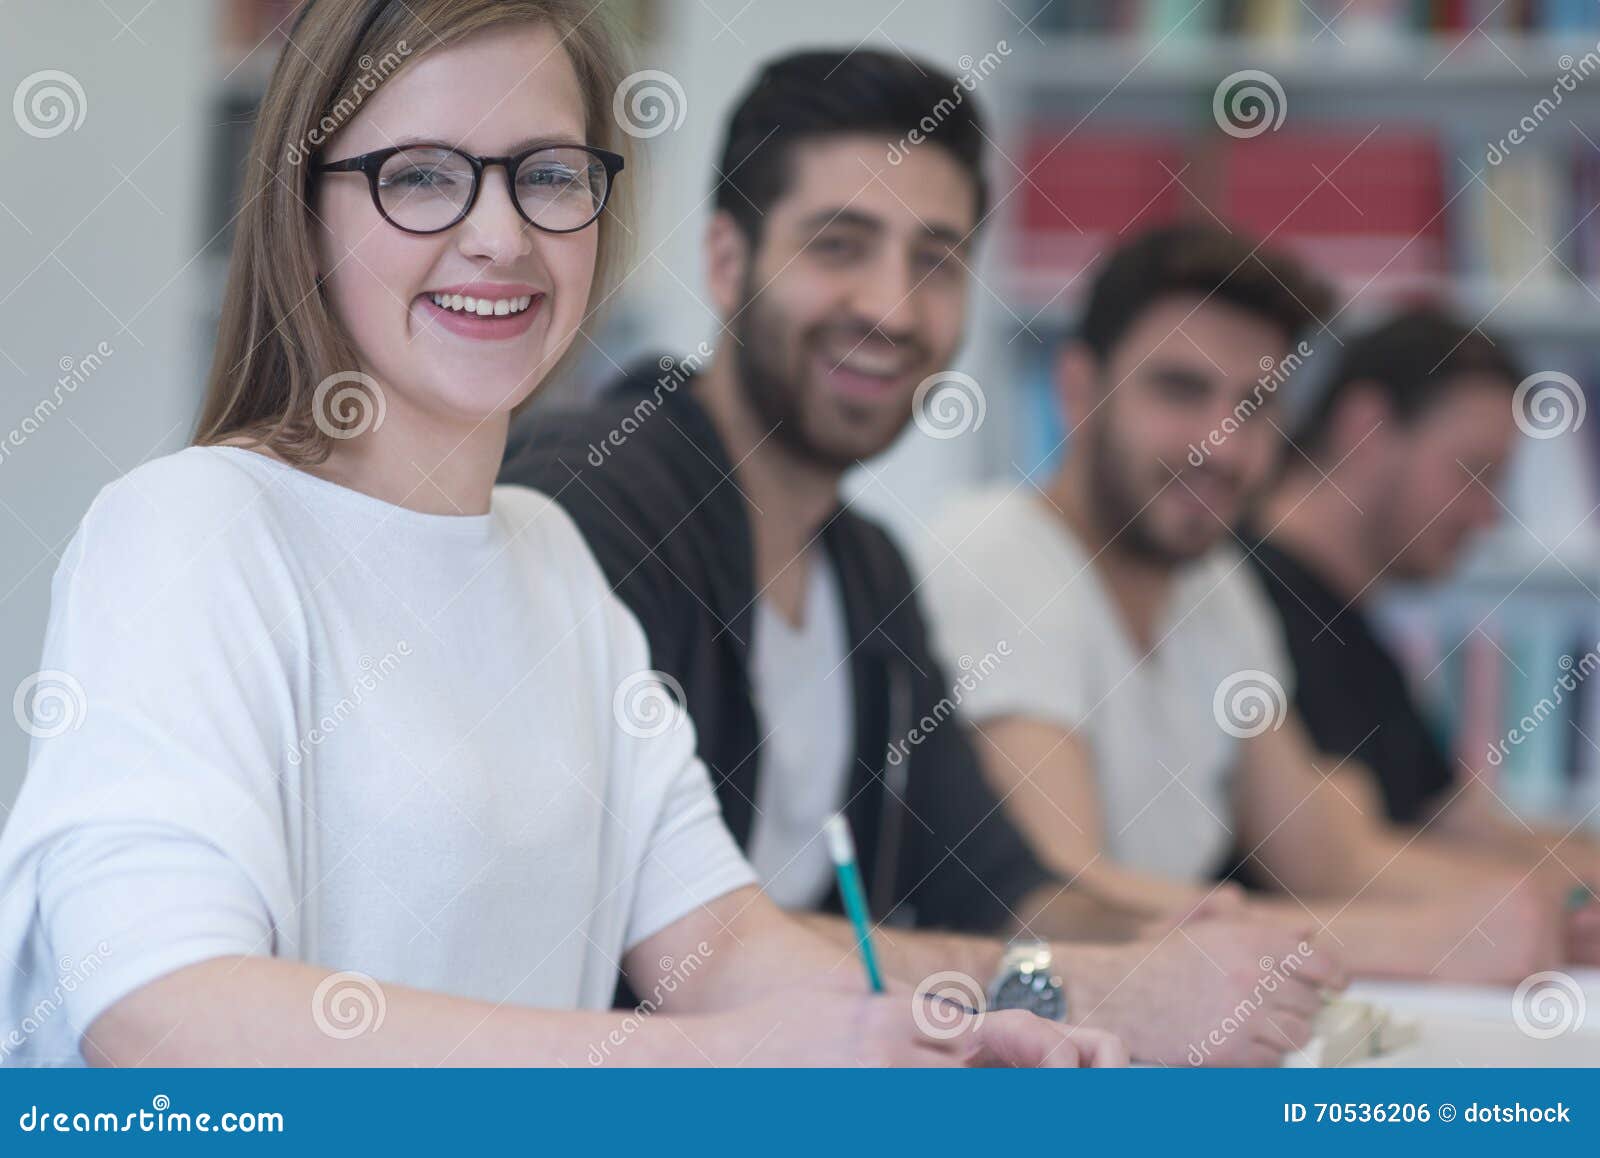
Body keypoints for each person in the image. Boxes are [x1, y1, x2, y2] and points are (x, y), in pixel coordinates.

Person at [0, 0, 1125, 1069]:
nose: (502, 236)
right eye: (423, 177)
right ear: (307, 214)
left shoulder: (554, 561)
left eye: (547, 176)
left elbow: (723, 947)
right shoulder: (193, 528)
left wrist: (948, 1033)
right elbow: (158, 1014)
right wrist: (712, 1063)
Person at [502, 51, 1340, 1066]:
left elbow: (999, 883)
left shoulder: (867, 571)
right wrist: (1093, 983)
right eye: (839, 245)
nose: (892, 309)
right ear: (726, 261)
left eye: (935, 261)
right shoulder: (588, 507)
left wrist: (1187, 943)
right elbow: (653, 942)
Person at [915, 222, 1574, 984]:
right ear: (1077, 389)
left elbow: (1322, 854)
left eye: (1255, 404)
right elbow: (1063, 895)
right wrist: (1419, 940)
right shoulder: (999, 551)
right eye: (1180, 390)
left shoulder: (1216, 587)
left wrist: (1549, 901)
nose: (1223, 446)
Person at [1246, 306, 1600, 964]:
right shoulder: (1246, 602)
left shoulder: (1357, 633)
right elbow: (1339, 862)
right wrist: (1561, 900)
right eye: (1472, 472)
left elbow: (1450, 821)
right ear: (1366, 427)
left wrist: (1576, 873)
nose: (1486, 516)